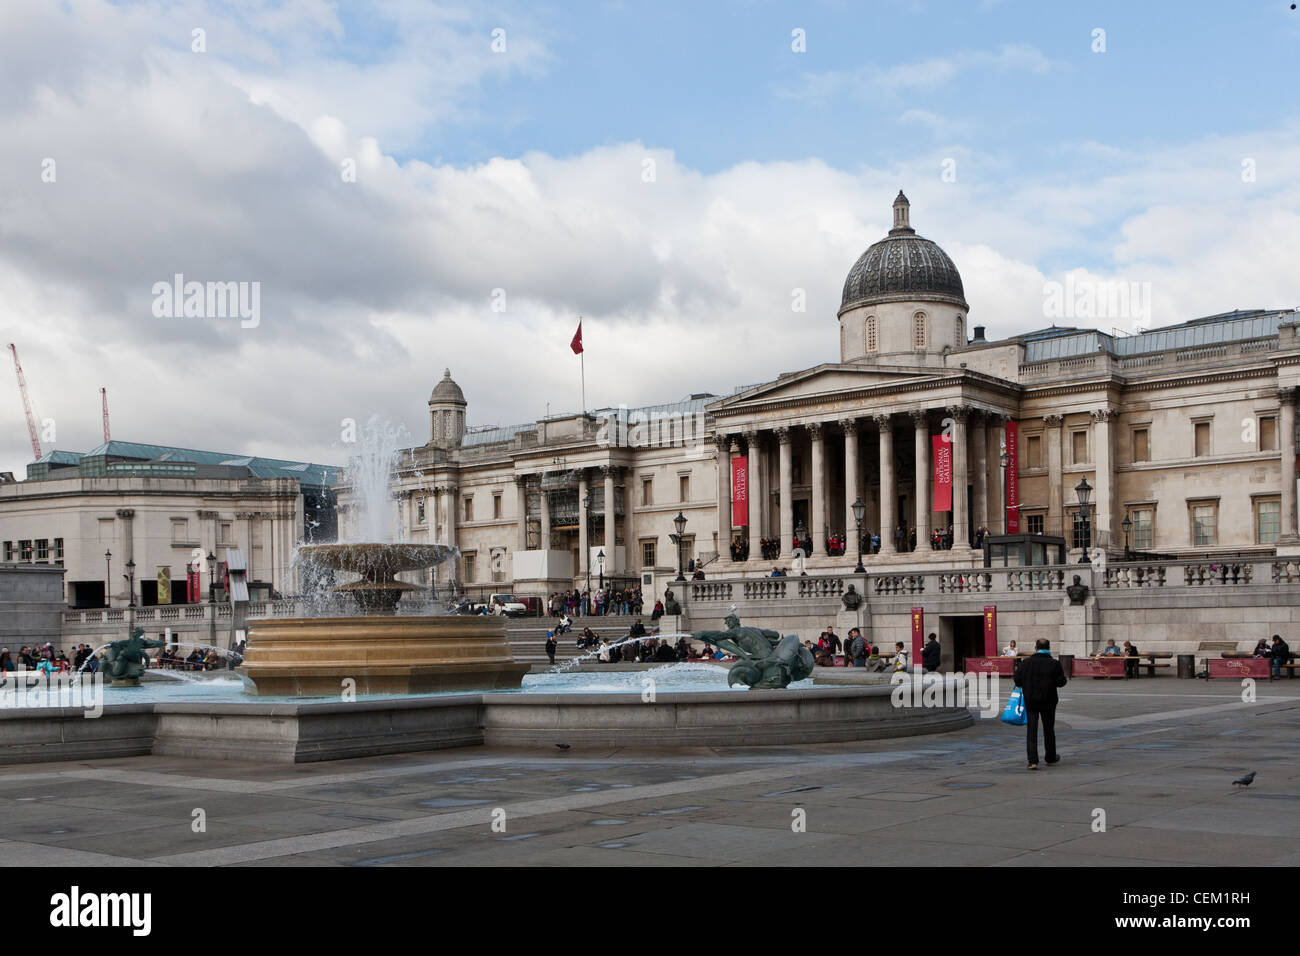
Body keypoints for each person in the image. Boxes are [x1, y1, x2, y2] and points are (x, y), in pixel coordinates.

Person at [1013, 638, 1068, 770]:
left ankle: (1032, 761)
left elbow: (1017, 680)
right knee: (1049, 729)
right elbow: (1061, 682)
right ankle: (1050, 757)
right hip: (1049, 700)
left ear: (1035, 647)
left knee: (1031, 730)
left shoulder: (1025, 663)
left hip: (1031, 700)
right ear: (1049, 647)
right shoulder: (1054, 663)